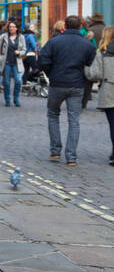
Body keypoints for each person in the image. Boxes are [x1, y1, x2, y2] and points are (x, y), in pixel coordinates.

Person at [38, 15, 97, 165]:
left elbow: (42, 61)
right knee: (74, 120)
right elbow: (91, 64)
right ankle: (71, 156)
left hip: (57, 83)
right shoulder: (87, 44)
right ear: (79, 27)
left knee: (52, 115)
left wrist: (51, 73)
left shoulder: (54, 42)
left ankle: (55, 150)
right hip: (77, 84)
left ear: (65, 26)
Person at [85, 25, 114, 164]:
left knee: (113, 124)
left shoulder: (102, 53)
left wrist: (85, 69)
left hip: (110, 91)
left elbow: (95, 74)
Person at [0, 19, 27, 106]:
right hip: (6, 63)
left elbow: (24, 50)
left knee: (18, 81)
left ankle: (16, 99)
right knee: (6, 82)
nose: (11, 28)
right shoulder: (4, 36)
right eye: (10, 27)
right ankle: (7, 100)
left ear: (17, 28)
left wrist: (19, 53)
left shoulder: (21, 37)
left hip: (17, 63)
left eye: (13, 27)